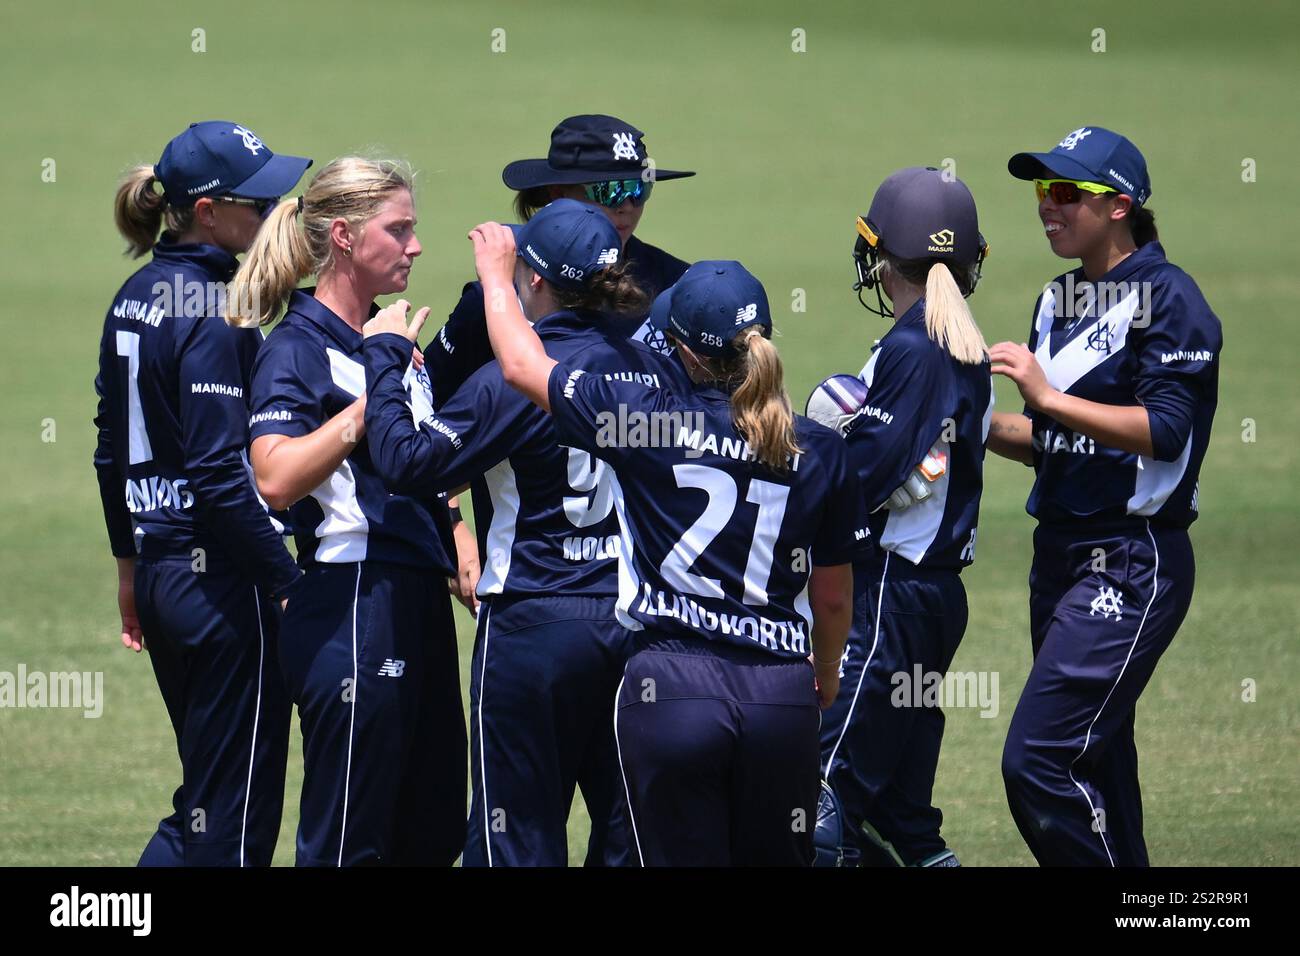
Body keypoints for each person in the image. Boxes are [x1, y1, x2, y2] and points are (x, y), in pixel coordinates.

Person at [462, 234, 861, 866]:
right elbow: (833, 597)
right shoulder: (817, 449)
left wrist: (494, 274)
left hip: (671, 687)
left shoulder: (646, 420)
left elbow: (520, 366)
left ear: (680, 350)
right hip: (782, 693)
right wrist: (828, 672)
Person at [362, 199, 688, 867]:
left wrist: (388, 359)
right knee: (631, 838)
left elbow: (406, 465)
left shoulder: (509, 383)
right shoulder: (654, 375)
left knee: (515, 842)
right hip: (634, 631)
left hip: (532, 628)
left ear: (532, 282)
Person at [987, 126, 1222, 866]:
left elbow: (1166, 431)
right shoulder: (1056, 300)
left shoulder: (1168, 297)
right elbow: (1049, 442)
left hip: (1130, 559)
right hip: (1056, 554)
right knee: (1094, 758)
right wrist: (961, 419)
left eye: (1066, 193)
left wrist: (1046, 398)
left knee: (1039, 759)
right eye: (1041, 192)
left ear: (1120, 205)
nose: (1047, 208)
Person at [226, 156, 465, 866]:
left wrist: (457, 532)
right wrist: (372, 400)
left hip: (416, 598)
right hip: (352, 600)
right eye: (399, 230)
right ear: (344, 237)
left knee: (431, 834)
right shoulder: (295, 350)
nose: (416, 246)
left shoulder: (392, 339)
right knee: (349, 845)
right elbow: (273, 479)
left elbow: (419, 461)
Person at [93, 121, 311, 865]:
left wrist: (130, 567)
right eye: (262, 200)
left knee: (204, 805)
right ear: (211, 211)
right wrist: (286, 582)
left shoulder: (137, 294)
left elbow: (107, 450)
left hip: (163, 574)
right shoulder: (212, 311)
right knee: (233, 820)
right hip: (222, 584)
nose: (279, 209)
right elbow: (220, 476)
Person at [427, 115, 695, 617]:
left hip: (648, 582)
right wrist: (452, 522)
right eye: (611, 190)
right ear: (555, 194)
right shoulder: (496, 300)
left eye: (641, 187)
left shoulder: (677, 286)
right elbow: (428, 415)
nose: (629, 205)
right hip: (532, 575)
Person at [812, 167, 994, 868]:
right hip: (928, 597)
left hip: (889, 594)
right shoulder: (955, 341)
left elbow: (869, 477)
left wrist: (813, 444)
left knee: (819, 802)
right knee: (899, 817)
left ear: (883, 260)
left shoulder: (915, 349)